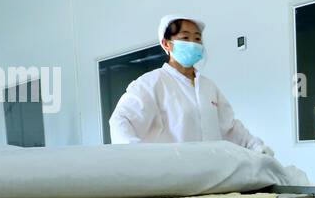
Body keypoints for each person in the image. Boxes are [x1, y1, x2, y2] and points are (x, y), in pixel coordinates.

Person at [109, 14, 274, 154]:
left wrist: (256, 147)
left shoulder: (208, 87)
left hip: (213, 175)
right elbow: (120, 120)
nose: (193, 43)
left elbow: (230, 128)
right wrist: (138, 158)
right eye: (185, 37)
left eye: (197, 38)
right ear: (166, 43)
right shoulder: (152, 83)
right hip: (172, 179)